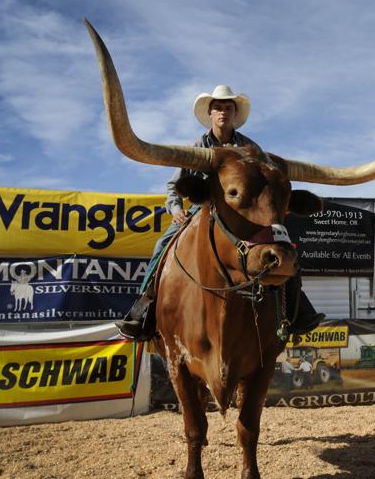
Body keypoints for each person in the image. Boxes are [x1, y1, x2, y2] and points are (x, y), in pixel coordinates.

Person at [116, 85, 323, 339]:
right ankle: (143, 309)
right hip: (201, 209)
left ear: (234, 114)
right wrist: (177, 207)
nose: (223, 112)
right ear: (210, 113)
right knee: (162, 244)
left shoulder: (250, 148)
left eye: (228, 107)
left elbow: (268, 179)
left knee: (281, 246)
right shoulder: (198, 147)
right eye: (218, 108)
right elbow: (174, 186)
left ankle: (297, 309)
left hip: (241, 215)